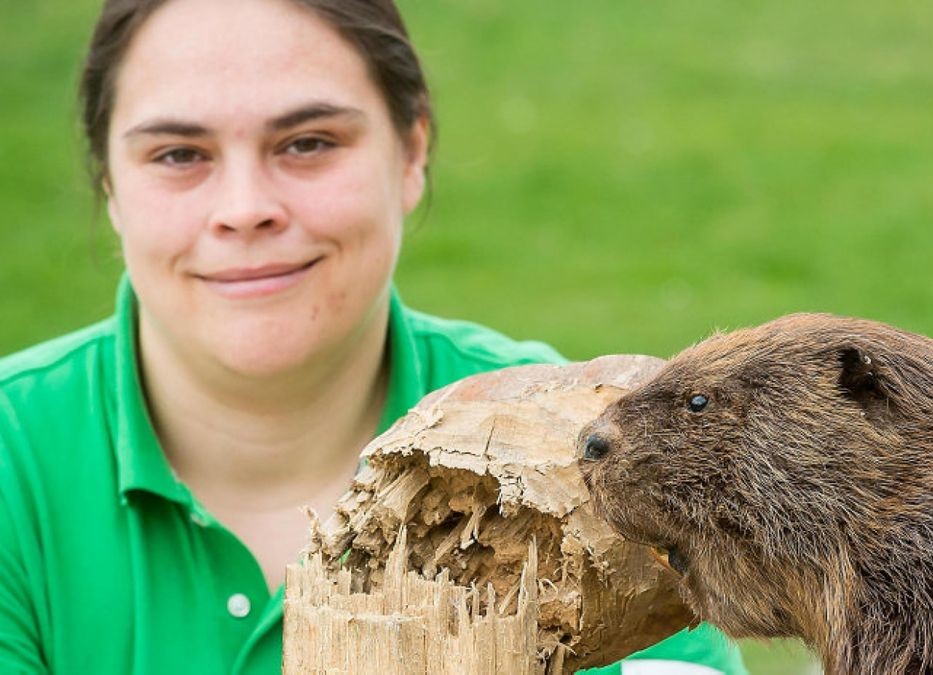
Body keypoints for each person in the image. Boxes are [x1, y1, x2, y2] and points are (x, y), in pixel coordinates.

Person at [0, 0, 746, 673]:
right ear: (108, 183)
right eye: (178, 155)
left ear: (411, 152)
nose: (244, 207)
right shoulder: (14, 457)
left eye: (308, 142)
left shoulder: (597, 445)